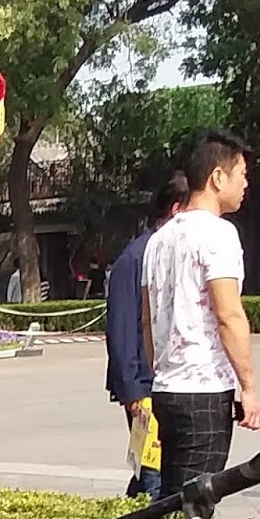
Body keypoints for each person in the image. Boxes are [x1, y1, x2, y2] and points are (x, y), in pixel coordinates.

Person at [142, 131, 260, 496]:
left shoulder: (158, 239)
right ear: (217, 177)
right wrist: (250, 388)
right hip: (204, 390)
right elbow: (229, 315)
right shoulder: (218, 234)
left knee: (173, 497)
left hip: (167, 389)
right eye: (241, 174)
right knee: (195, 506)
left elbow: (147, 321)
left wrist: (159, 371)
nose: (246, 184)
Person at [105, 173, 188, 498]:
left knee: (151, 474)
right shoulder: (136, 257)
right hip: (144, 390)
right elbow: (122, 328)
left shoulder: (166, 253)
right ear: (177, 209)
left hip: (168, 385)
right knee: (154, 477)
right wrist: (134, 392)